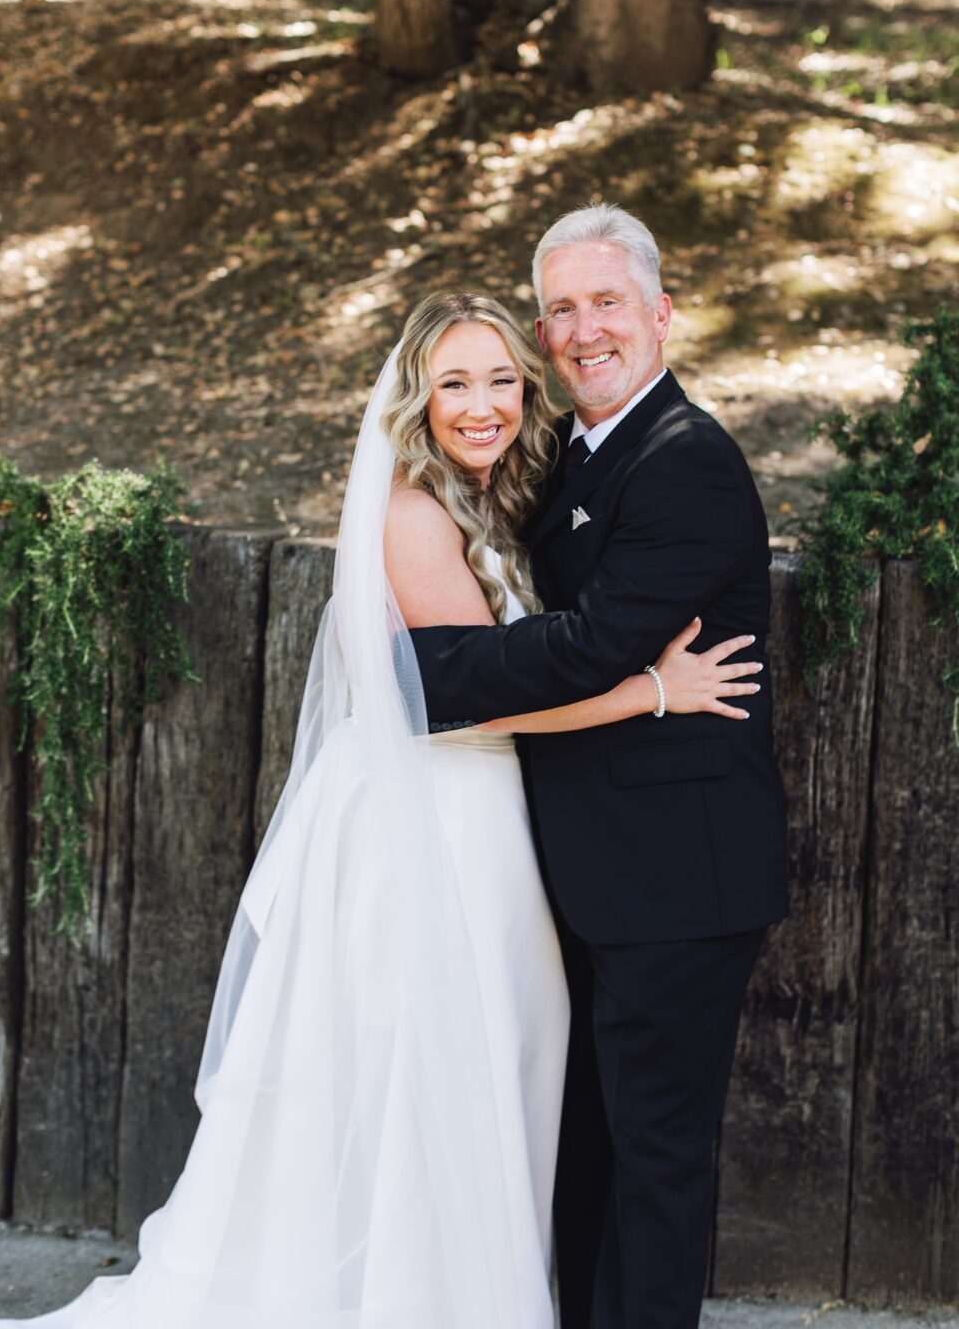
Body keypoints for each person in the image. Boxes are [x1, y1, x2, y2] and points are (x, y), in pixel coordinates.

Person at [0, 288, 761, 1329]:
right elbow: (476, 702)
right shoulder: (416, 515)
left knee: (469, 1072)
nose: (484, 406)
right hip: (427, 824)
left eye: (503, 381)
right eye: (454, 384)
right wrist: (657, 691)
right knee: (419, 1077)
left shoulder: (486, 504)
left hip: (478, 825)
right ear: (414, 399)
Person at [408, 210, 790, 1329]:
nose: (585, 331)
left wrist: (430, 672)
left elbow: (589, 648)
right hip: (592, 872)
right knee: (588, 1158)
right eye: (562, 310)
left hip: (676, 879)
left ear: (660, 314)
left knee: (654, 1165)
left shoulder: (687, 465)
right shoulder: (570, 454)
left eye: (607, 302)